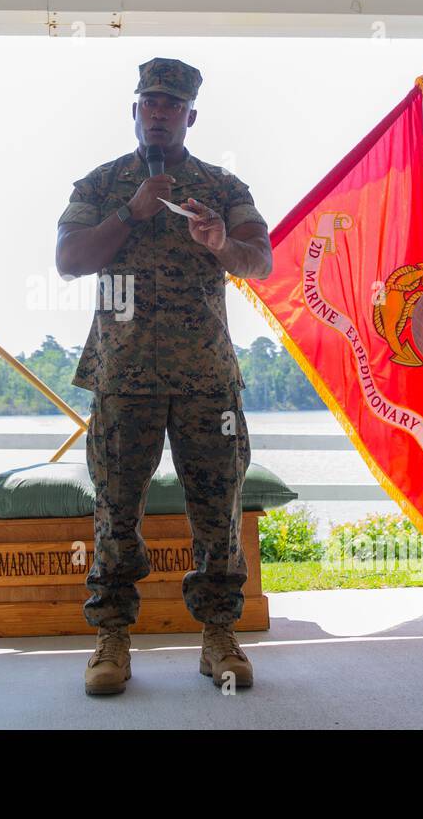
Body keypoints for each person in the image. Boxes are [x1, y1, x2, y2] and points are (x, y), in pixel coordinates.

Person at [55, 58, 273, 695]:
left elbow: (260, 260)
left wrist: (220, 245)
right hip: (123, 376)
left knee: (218, 512)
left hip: (207, 376)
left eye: (171, 105)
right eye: (149, 101)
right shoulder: (101, 185)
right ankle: (112, 641)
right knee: (116, 513)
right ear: (134, 110)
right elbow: (68, 260)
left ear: (190, 117)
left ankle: (217, 638)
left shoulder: (222, 186)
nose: (158, 112)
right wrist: (132, 211)